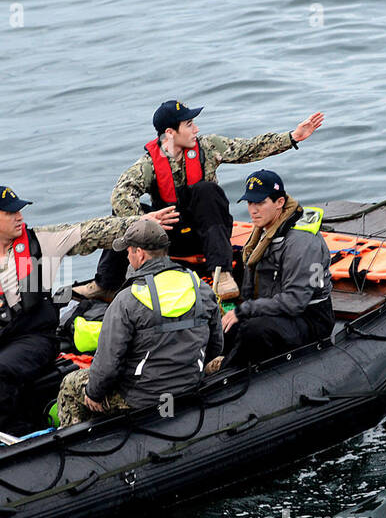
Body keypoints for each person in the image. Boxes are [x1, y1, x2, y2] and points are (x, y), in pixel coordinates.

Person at [0, 186, 179, 469]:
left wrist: (140, 223)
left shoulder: (41, 241)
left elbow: (91, 231)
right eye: (11, 213)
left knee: (2, 372)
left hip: (34, 337)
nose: (20, 217)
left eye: (20, 210)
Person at [73, 100, 325, 302]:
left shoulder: (207, 147)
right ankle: (106, 284)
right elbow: (121, 192)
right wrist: (143, 219)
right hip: (169, 236)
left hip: (207, 232)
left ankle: (222, 272)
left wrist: (292, 137)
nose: (196, 129)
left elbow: (248, 148)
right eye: (189, 124)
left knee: (206, 190)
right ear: (170, 133)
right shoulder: (149, 164)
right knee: (121, 216)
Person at [57, 218, 223, 427]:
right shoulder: (200, 287)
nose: (127, 255)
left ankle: (79, 443)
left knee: (71, 384)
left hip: (142, 398)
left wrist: (94, 393)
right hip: (188, 386)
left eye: (129, 251)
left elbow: (108, 364)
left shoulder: (128, 298)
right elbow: (216, 346)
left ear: (140, 253)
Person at [218, 170, 334, 369]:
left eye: (260, 203)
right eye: (249, 203)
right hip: (276, 308)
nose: (253, 210)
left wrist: (245, 310)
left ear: (280, 202)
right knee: (224, 326)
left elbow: (295, 302)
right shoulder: (265, 230)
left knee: (253, 330)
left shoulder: (301, 243)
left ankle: (223, 373)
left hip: (309, 317)